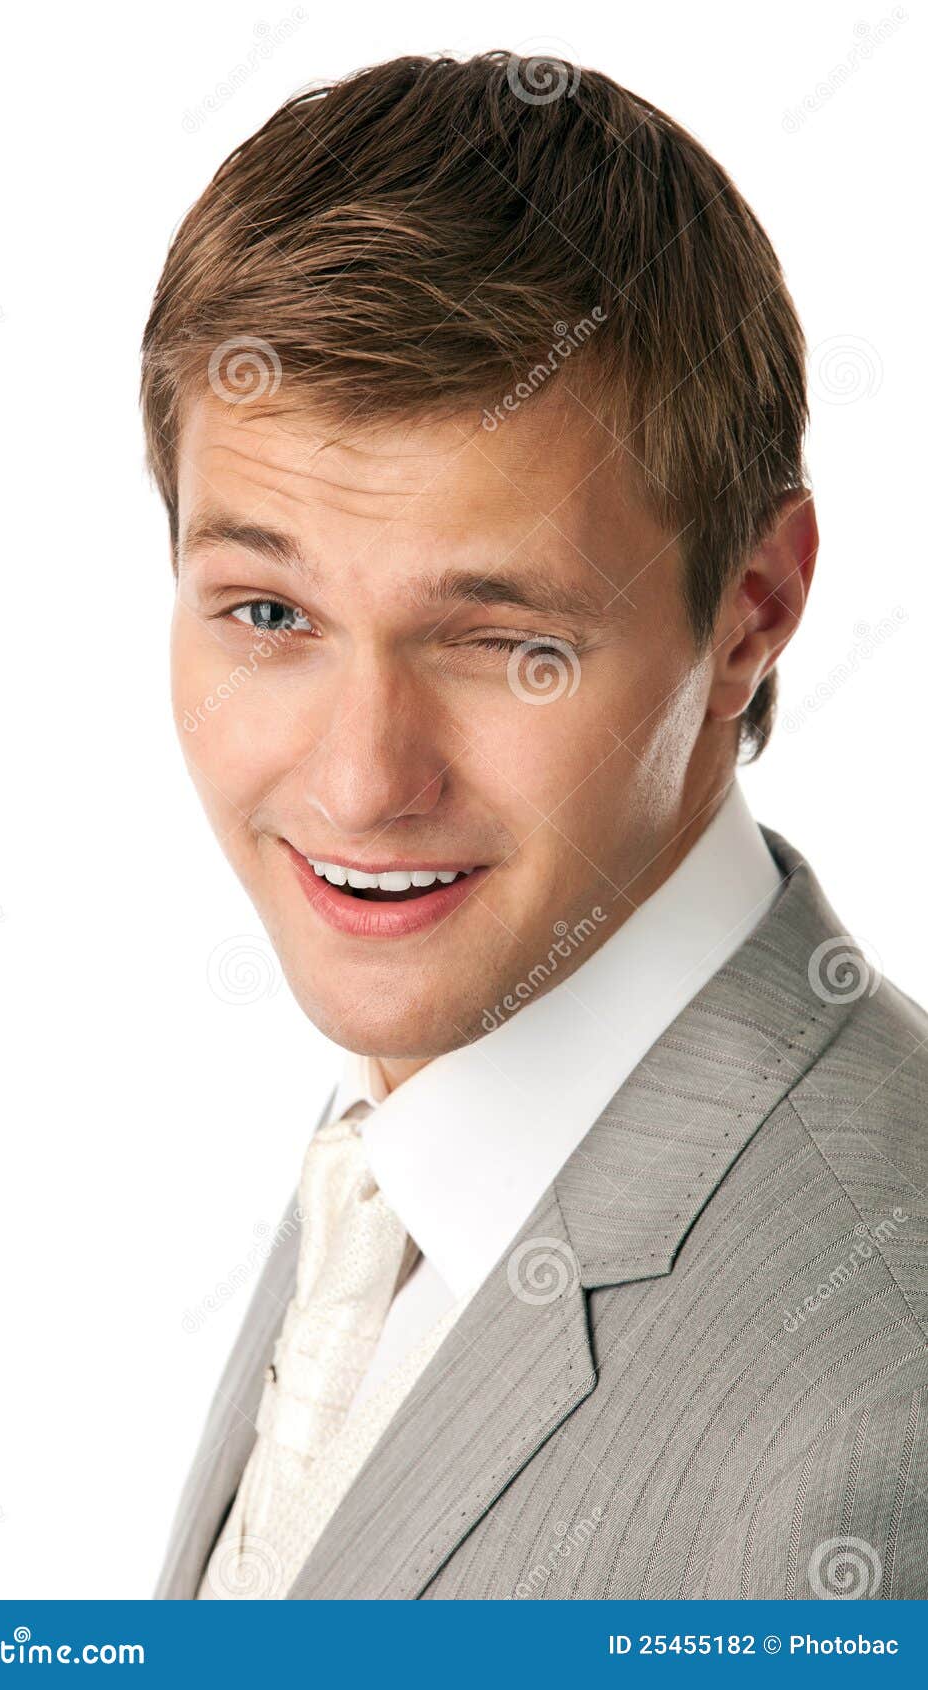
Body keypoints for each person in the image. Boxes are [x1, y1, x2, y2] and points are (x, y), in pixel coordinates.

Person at [140, 52, 928, 1599]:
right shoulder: (417, 1127)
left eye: (505, 639)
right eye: (271, 610)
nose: (362, 784)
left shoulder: (882, 1405)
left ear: (754, 609)